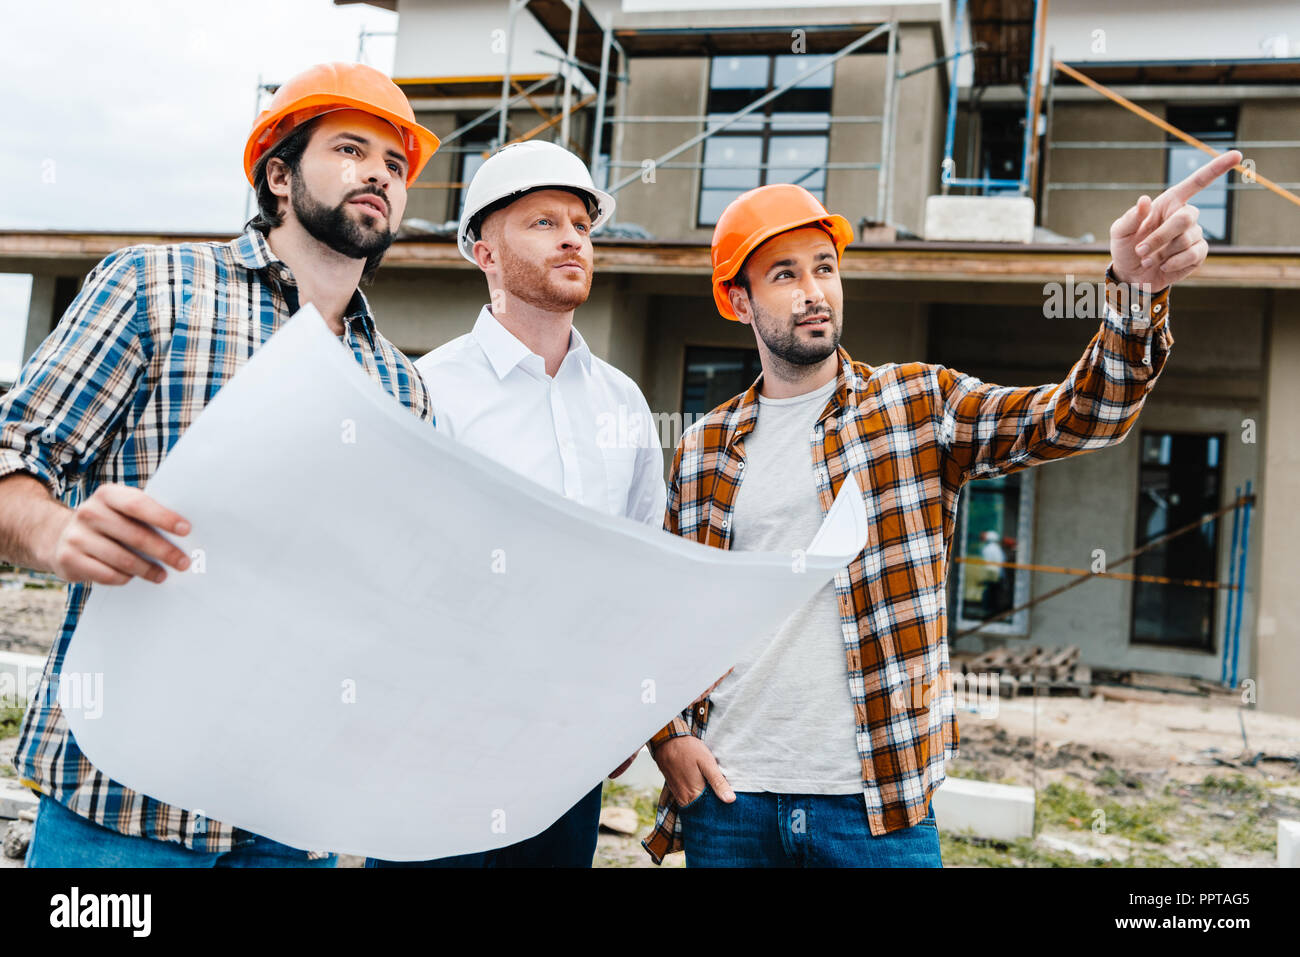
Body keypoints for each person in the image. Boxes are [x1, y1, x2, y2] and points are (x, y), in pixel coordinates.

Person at [641, 150, 1240, 867]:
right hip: (731, 802)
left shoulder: (917, 405)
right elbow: (665, 611)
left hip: (876, 805)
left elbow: (1080, 416)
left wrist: (1134, 296)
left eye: (825, 267)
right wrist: (668, 737)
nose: (814, 291)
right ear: (738, 301)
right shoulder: (704, 447)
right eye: (785, 274)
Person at [0, 61, 441, 867]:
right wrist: (57, 531)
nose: (379, 173)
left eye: (396, 164)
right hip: (124, 805)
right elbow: (14, 454)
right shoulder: (155, 288)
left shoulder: (401, 388)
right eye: (351, 149)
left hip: (295, 816)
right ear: (279, 175)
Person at [365, 140, 666, 869]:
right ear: (483, 252)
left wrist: (626, 705)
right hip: (433, 751)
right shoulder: (425, 390)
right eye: (542, 222)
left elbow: (644, 565)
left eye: (581, 224)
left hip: (566, 757)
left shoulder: (621, 401)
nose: (571, 237)